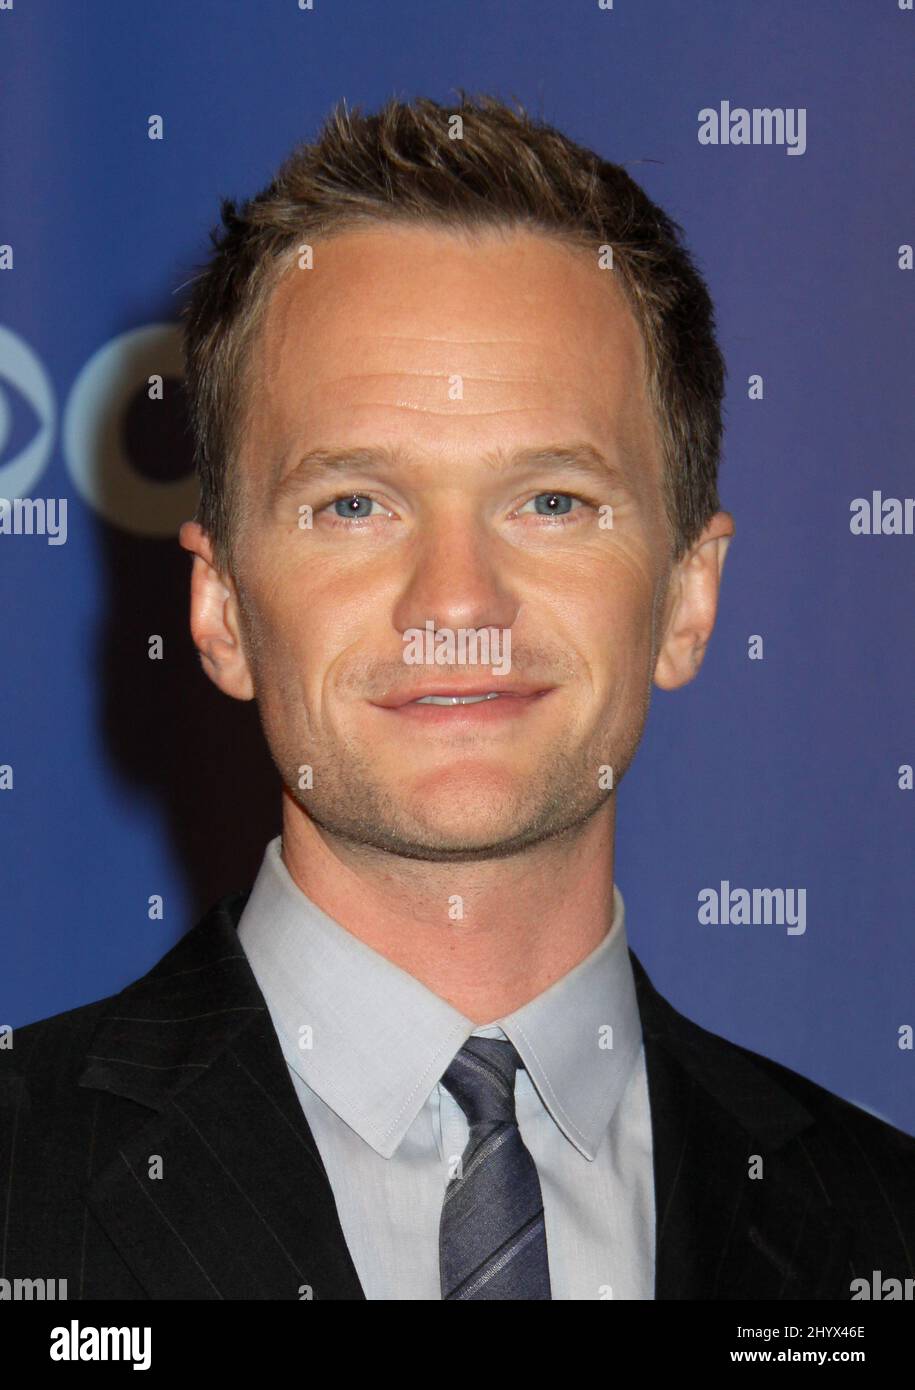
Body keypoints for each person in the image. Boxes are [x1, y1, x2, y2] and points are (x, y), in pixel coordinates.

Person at [3, 93, 913, 1302]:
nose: (457, 601)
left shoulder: (883, 1234)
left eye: (551, 502)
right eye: (354, 504)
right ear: (220, 609)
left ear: (689, 598)